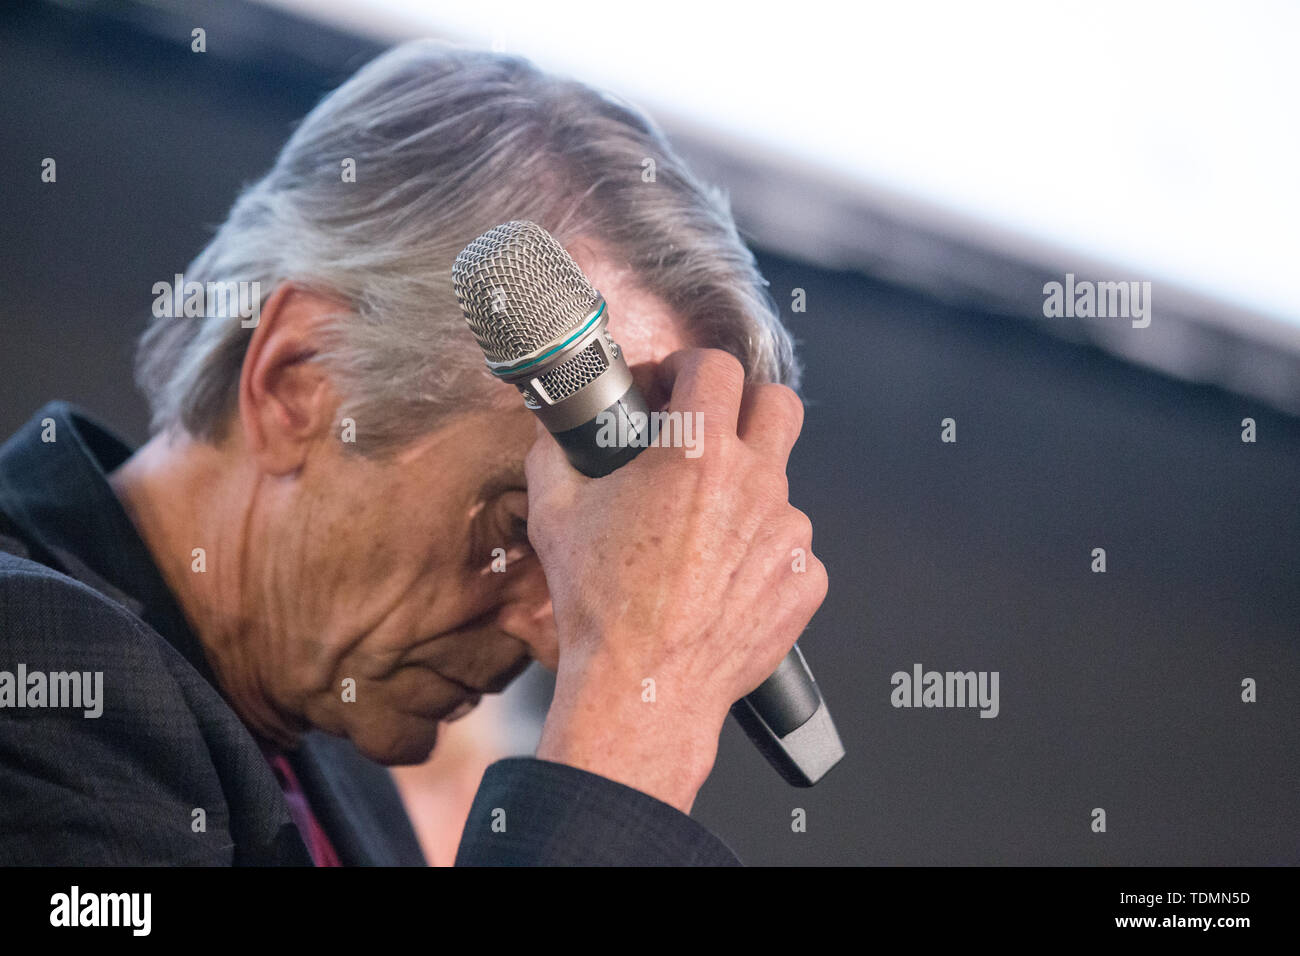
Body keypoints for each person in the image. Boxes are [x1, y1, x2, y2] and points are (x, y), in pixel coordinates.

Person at [0, 39, 826, 865]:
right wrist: (642, 705)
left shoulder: (333, 775)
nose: (557, 639)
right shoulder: (39, 674)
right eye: (526, 529)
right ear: (299, 377)